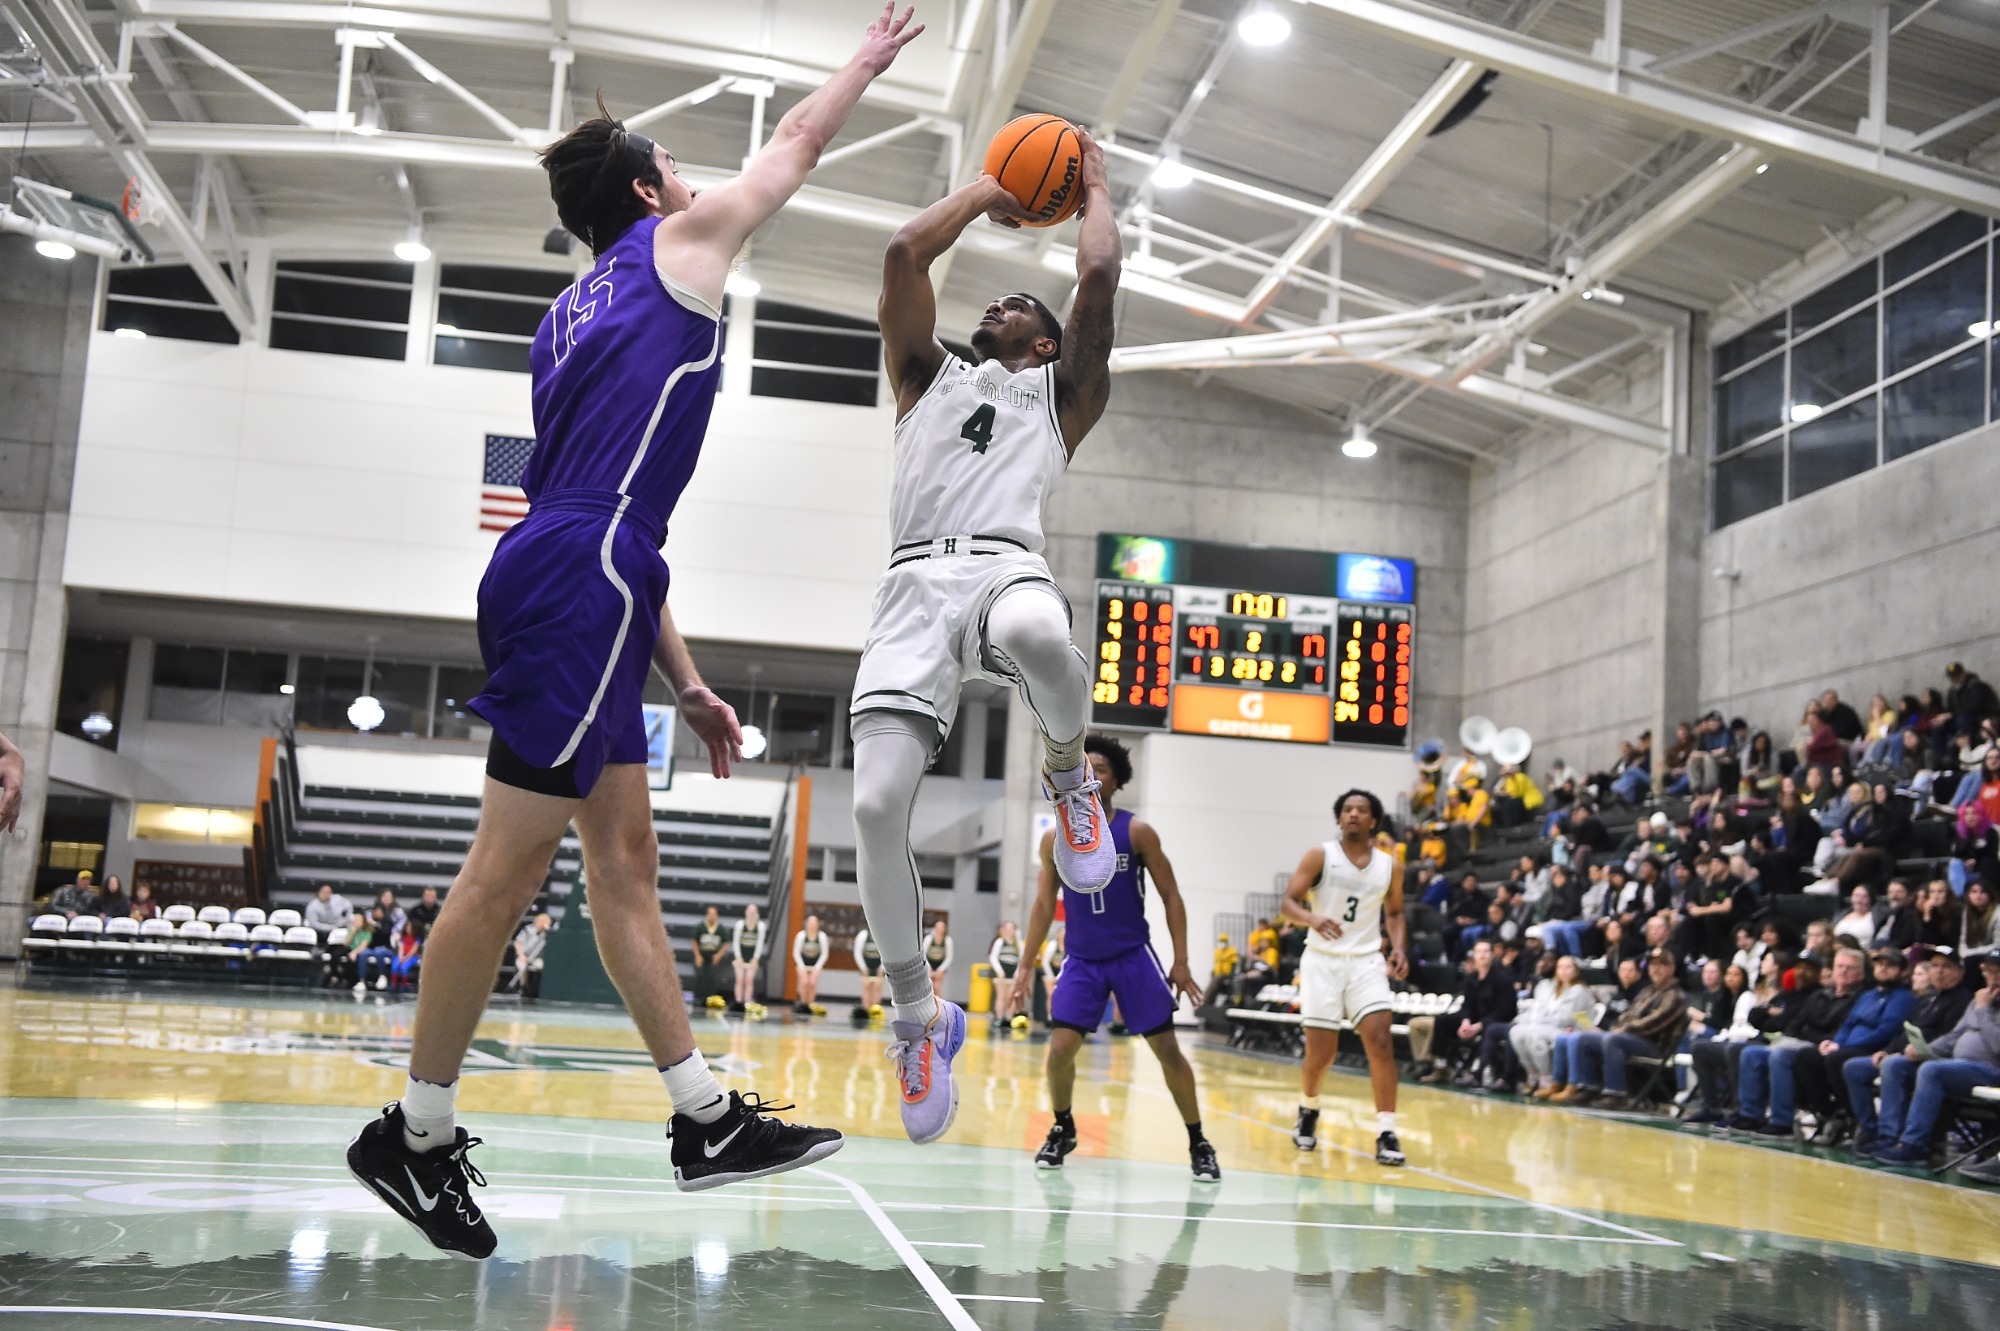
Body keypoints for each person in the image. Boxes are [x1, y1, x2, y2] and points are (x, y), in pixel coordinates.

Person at [344, 7, 925, 1255]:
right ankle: (417, 1129)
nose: (702, 178)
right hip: (584, 575)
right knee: (502, 875)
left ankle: (703, 1114)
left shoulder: (566, 312)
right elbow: (797, 151)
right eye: (678, 163)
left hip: (578, 568)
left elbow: (610, 523)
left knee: (625, 861)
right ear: (653, 185)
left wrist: (692, 684)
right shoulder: (681, 243)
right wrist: (866, 61)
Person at [848, 121, 1123, 1148]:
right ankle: (919, 1015)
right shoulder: (925, 374)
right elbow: (899, 256)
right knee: (875, 805)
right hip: (910, 588)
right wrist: (984, 191)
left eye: (1021, 305)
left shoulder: (1059, 397)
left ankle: (1065, 776)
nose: (998, 301)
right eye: (993, 298)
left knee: (1039, 637)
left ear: (1045, 343)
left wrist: (1089, 180)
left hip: (1004, 562)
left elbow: (1096, 272)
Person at [1013, 735, 1217, 1181]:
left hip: (1131, 955)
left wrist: (1181, 961)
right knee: (1060, 1049)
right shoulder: (1054, 837)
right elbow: (1044, 906)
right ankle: (1062, 1125)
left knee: (1167, 1049)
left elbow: (1172, 897)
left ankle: (1198, 1140)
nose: (1092, 774)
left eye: (1101, 768)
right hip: (1083, 958)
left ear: (1117, 779)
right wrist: (1025, 967)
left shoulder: (1137, 832)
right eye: (1086, 767)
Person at [1281, 789, 1411, 1164]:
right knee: (1322, 1053)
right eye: (1347, 810)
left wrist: (1398, 948)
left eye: (1362, 810)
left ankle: (1387, 1131)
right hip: (1322, 961)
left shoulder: (1390, 866)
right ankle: (1308, 1108)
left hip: (1366, 960)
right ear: (1339, 818)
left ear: (1374, 821)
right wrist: (1311, 918)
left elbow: (1397, 913)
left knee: (1381, 1038)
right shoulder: (1320, 855)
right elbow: (1288, 901)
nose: (1353, 814)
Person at [1867, 948, 2000, 1165]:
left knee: (1932, 1070)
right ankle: (1889, 1138)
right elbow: (1953, 1037)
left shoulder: (1981, 1003)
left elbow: (1997, 1046)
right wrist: (1925, 1049)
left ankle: (1915, 1145)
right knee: (1895, 1064)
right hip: (1958, 1067)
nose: (1992, 979)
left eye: (1997, 973)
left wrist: (1984, 1010)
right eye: (1989, 973)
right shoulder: (1978, 1000)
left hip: (1990, 1071)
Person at [1723, 947, 1867, 1136]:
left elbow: (1840, 1031)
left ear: (1861, 973)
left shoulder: (1860, 998)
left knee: (1780, 1055)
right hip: (1798, 1041)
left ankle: (1781, 1120)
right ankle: (1750, 1114)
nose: (1843, 971)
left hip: (1822, 1047)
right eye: (1840, 966)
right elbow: (1795, 1024)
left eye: (1850, 968)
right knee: (1751, 1053)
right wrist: (1790, 1035)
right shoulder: (1820, 995)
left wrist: (1804, 1036)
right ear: (1832, 968)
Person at [1844, 947, 1974, 1153]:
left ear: (1960, 971)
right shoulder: (1926, 999)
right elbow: (1904, 1031)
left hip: (1933, 1060)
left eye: (1946, 967)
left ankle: (1891, 1136)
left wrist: (1916, 1051)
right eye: (1935, 966)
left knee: (1893, 1066)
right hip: (1908, 1055)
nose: (1939, 971)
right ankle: (1870, 1130)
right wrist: (1887, 1050)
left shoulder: (1963, 1000)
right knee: (1854, 1067)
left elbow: (1950, 1038)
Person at [1553, 947, 1688, 1109]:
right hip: (1632, 1038)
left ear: (1671, 968)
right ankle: (1589, 1087)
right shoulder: (1648, 991)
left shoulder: (1675, 995)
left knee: (1613, 1039)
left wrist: (1625, 1028)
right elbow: (1627, 1014)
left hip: (1655, 1046)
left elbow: (1654, 1022)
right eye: (1652, 965)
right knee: (1583, 1038)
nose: (1655, 969)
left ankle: (1615, 1093)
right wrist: (1619, 1026)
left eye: (1661, 965)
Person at [1512, 954, 1595, 1095]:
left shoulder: (1579, 991)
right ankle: (1532, 1072)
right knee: (1516, 1032)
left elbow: (1565, 1018)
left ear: (1576, 971)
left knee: (1535, 1034)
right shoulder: (1551, 988)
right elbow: (1539, 1008)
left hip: (1571, 1030)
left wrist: (1541, 1018)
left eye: (1568, 967)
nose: (1563, 970)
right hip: (1549, 1026)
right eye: (1560, 967)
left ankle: (1547, 1077)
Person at [791, 914, 829, 1016]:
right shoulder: (801, 936)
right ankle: (803, 1004)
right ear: (807, 924)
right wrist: (802, 967)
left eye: (814, 923)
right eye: (810, 923)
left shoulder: (821, 936)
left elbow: (824, 954)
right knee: (804, 983)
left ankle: (810, 1004)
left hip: (816, 965)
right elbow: (796, 953)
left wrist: (817, 968)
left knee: (812, 983)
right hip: (802, 964)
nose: (812, 925)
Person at [989, 921, 1026, 1026]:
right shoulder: (999, 942)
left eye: (1012, 929)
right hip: (1001, 973)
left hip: (1013, 973)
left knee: (1011, 996)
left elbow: (1022, 959)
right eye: (1007, 929)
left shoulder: (1019, 944)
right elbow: (993, 957)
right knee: (1001, 996)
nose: (1009, 931)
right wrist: (999, 971)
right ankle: (999, 1018)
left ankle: (1008, 1018)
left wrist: (1017, 972)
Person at [731, 904, 766, 1012]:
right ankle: (738, 1001)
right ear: (746, 912)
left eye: (753, 912)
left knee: (749, 980)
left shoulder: (760, 926)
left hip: (752, 958)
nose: (751, 914)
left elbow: (760, 944)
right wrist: (738, 957)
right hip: (740, 957)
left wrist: (755, 958)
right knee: (740, 979)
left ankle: (747, 1002)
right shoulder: (740, 925)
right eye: (749, 912)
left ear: (757, 914)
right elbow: (736, 941)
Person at [690, 907, 727, 1007]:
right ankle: (697, 999)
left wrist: (719, 955)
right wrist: (697, 955)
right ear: (707, 915)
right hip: (702, 955)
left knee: (711, 977)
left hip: (713, 957)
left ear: (717, 916)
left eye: (714, 914)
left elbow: (726, 943)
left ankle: (710, 999)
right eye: (710, 914)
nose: (712, 916)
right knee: (700, 976)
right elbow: (694, 941)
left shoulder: (721, 929)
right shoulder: (701, 927)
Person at [510, 913, 551, 997]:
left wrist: (548, 931)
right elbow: (517, 943)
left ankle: (536, 988)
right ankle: (523, 987)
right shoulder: (527, 930)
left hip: (536, 958)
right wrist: (521, 955)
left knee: (541, 966)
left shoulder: (547, 934)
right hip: (524, 956)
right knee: (522, 966)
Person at [853, 926, 886, 1015]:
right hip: (866, 967)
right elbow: (857, 953)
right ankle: (866, 1011)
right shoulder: (863, 935)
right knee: (866, 988)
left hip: (879, 967)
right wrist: (863, 968)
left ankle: (875, 1012)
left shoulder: (884, 935)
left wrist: (882, 968)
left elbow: (888, 953)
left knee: (877, 988)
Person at [921, 918, 954, 999]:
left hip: (940, 965)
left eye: (942, 928)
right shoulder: (929, 939)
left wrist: (941, 969)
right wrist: (929, 968)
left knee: (937, 987)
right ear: (935, 929)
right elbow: (923, 954)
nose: (940, 930)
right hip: (929, 963)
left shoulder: (948, 941)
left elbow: (949, 957)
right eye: (938, 928)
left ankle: (939, 1006)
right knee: (928, 986)